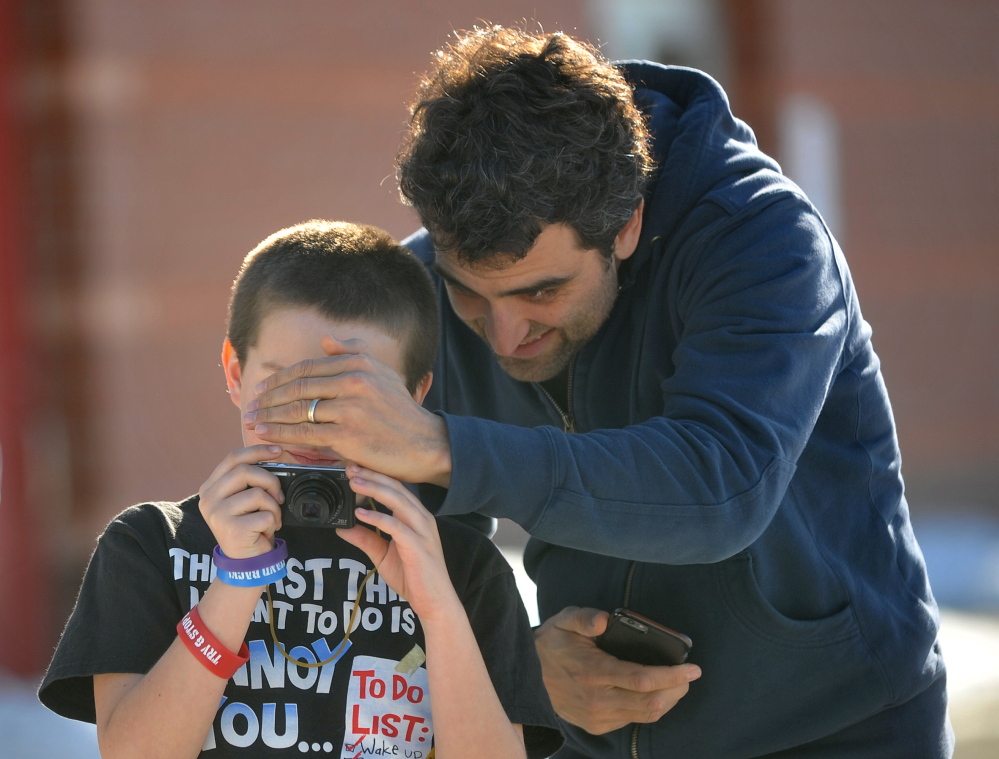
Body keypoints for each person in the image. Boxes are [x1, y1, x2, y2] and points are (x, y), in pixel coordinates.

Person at [237, 28, 952, 759]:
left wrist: (441, 446)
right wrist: (515, 657)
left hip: (839, 728)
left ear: (627, 223)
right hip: (589, 740)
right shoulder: (420, 288)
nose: (504, 334)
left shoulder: (764, 237)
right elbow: (394, 560)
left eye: (541, 290)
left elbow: (719, 485)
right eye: (469, 295)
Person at [38, 220, 563, 759]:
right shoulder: (150, 544)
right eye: (284, 382)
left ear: (413, 395)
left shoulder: (461, 566)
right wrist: (235, 584)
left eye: (348, 390)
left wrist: (440, 612)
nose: (310, 417)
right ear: (235, 372)